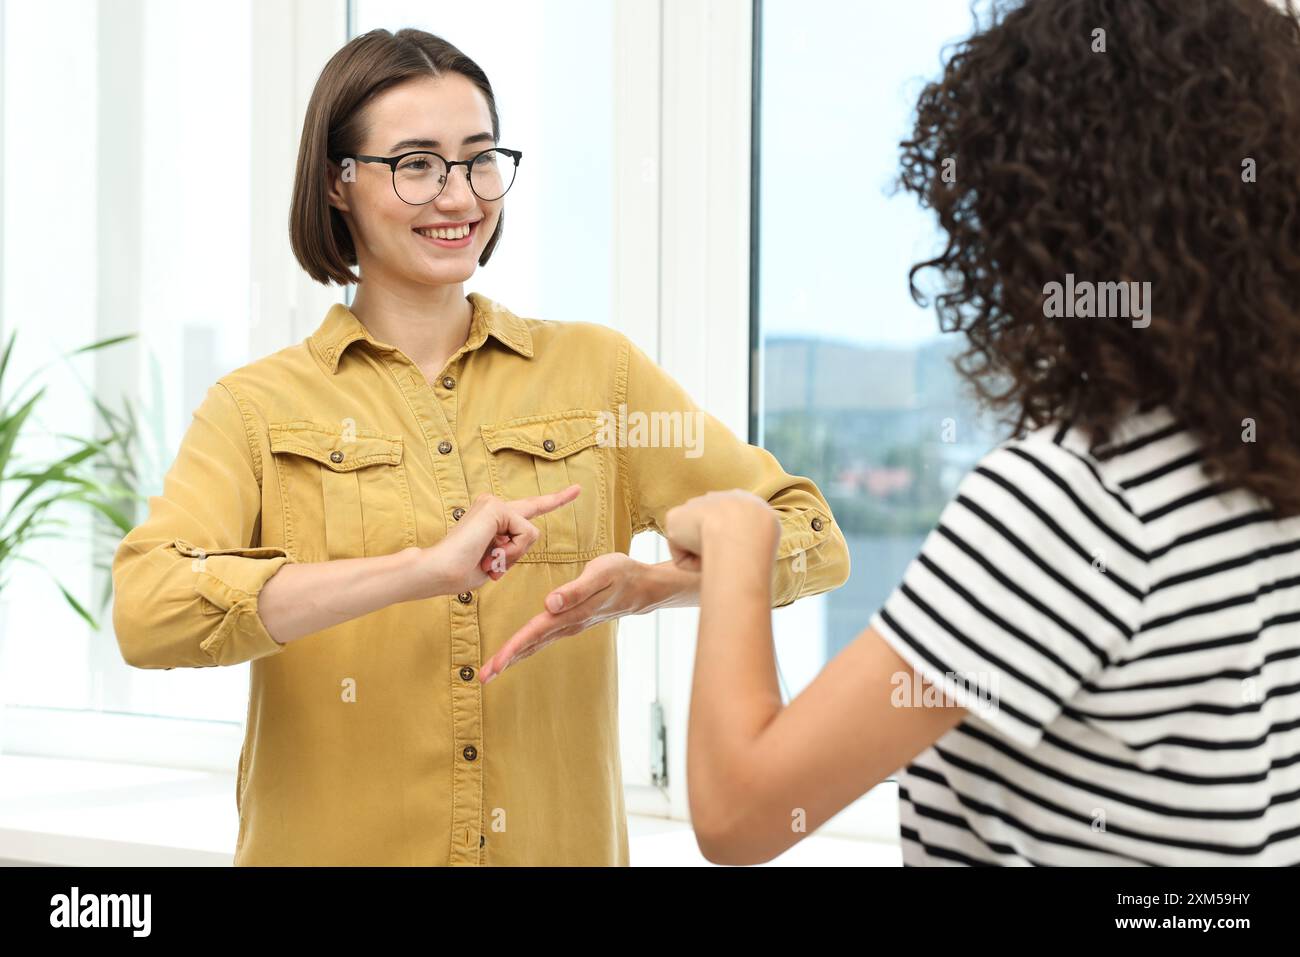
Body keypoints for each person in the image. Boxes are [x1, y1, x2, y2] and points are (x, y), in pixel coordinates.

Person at [487, 0, 1300, 866]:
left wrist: (735, 535)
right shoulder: (1259, 464)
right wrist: (658, 585)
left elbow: (740, 811)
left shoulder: (1071, 500)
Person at [110, 27, 850, 866]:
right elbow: (148, 610)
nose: (459, 196)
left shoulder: (598, 375)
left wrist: (647, 587)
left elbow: (811, 535)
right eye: (416, 164)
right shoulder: (255, 408)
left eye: (478, 158)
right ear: (337, 182)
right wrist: (419, 571)